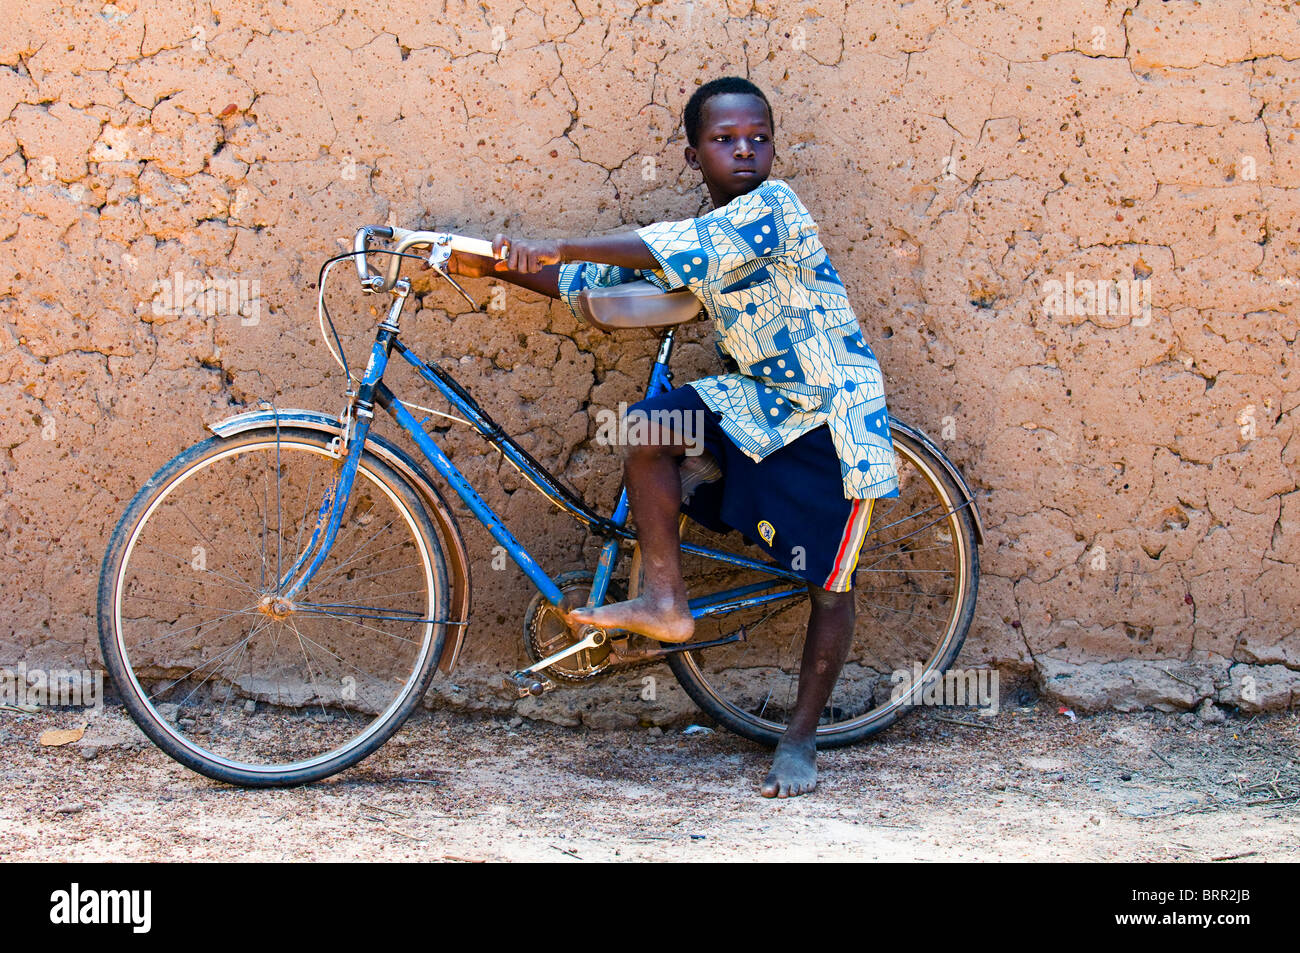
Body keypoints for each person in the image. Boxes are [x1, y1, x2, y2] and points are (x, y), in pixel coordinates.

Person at [442, 76, 898, 797]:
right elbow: (590, 276)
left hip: (831, 414)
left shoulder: (774, 209)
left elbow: (672, 244)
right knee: (650, 424)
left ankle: (801, 740)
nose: (745, 151)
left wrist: (549, 239)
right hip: (760, 401)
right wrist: (497, 261)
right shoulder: (701, 235)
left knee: (830, 586)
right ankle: (664, 597)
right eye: (724, 140)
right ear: (692, 157)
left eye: (759, 138)